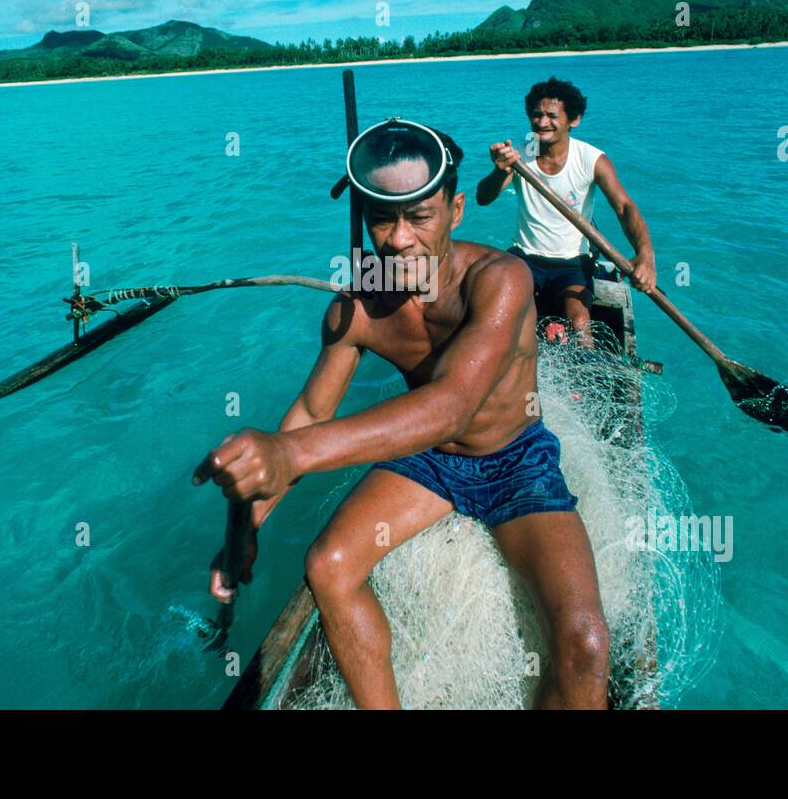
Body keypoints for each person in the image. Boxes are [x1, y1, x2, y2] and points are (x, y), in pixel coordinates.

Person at [194, 118, 610, 709]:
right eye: (382, 218)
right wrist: (243, 531)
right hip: (429, 461)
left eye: (420, 217)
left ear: (457, 211)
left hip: (515, 460)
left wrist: (287, 455)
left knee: (586, 645)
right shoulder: (358, 307)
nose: (398, 239)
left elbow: (451, 405)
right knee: (329, 564)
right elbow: (311, 412)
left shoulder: (501, 279)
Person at [476, 77, 656, 344]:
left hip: (572, 263)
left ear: (574, 120)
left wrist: (646, 255)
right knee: (500, 313)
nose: (542, 122)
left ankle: (583, 381)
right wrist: (498, 171)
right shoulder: (518, 157)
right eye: (536, 114)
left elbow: (624, 207)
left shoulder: (592, 159)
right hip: (525, 257)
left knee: (580, 322)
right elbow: (483, 198)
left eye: (552, 115)